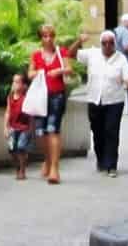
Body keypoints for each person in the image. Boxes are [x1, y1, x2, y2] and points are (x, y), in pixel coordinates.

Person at [75, 30, 128, 177]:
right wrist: (79, 41)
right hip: (95, 99)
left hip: (114, 101)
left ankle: (111, 165)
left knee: (111, 132)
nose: (108, 46)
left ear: (115, 44)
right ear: (100, 44)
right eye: (104, 43)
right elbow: (71, 54)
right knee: (97, 132)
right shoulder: (92, 54)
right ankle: (101, 159)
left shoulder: (120, 58)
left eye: (111, 43)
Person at [28, 23, 82, 184]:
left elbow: (69, 69)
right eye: (45, 36)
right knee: (41, 133)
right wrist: (38, 72)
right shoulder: (36, 55)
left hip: (56, 95)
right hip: (40, 97)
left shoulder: (61, 52)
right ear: (41, 38)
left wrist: (58, 71)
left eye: (51, 35)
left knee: (53, 130)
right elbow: (29, 73)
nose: (48, 39)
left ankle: (54, 169)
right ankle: (48, 159)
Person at [5, 72, 33, 181]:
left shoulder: (26, 97)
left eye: (17, 82)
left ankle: (22, 170)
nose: (14, 84)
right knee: (12, 149)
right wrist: (5, 127)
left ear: (24, 85)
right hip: (12, 127)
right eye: (13, 82)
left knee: (21, 147)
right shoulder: (10, 96)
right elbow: (7, 112)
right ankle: (17, 167)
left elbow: (31, 113)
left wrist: (31, 128)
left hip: (24, 127)